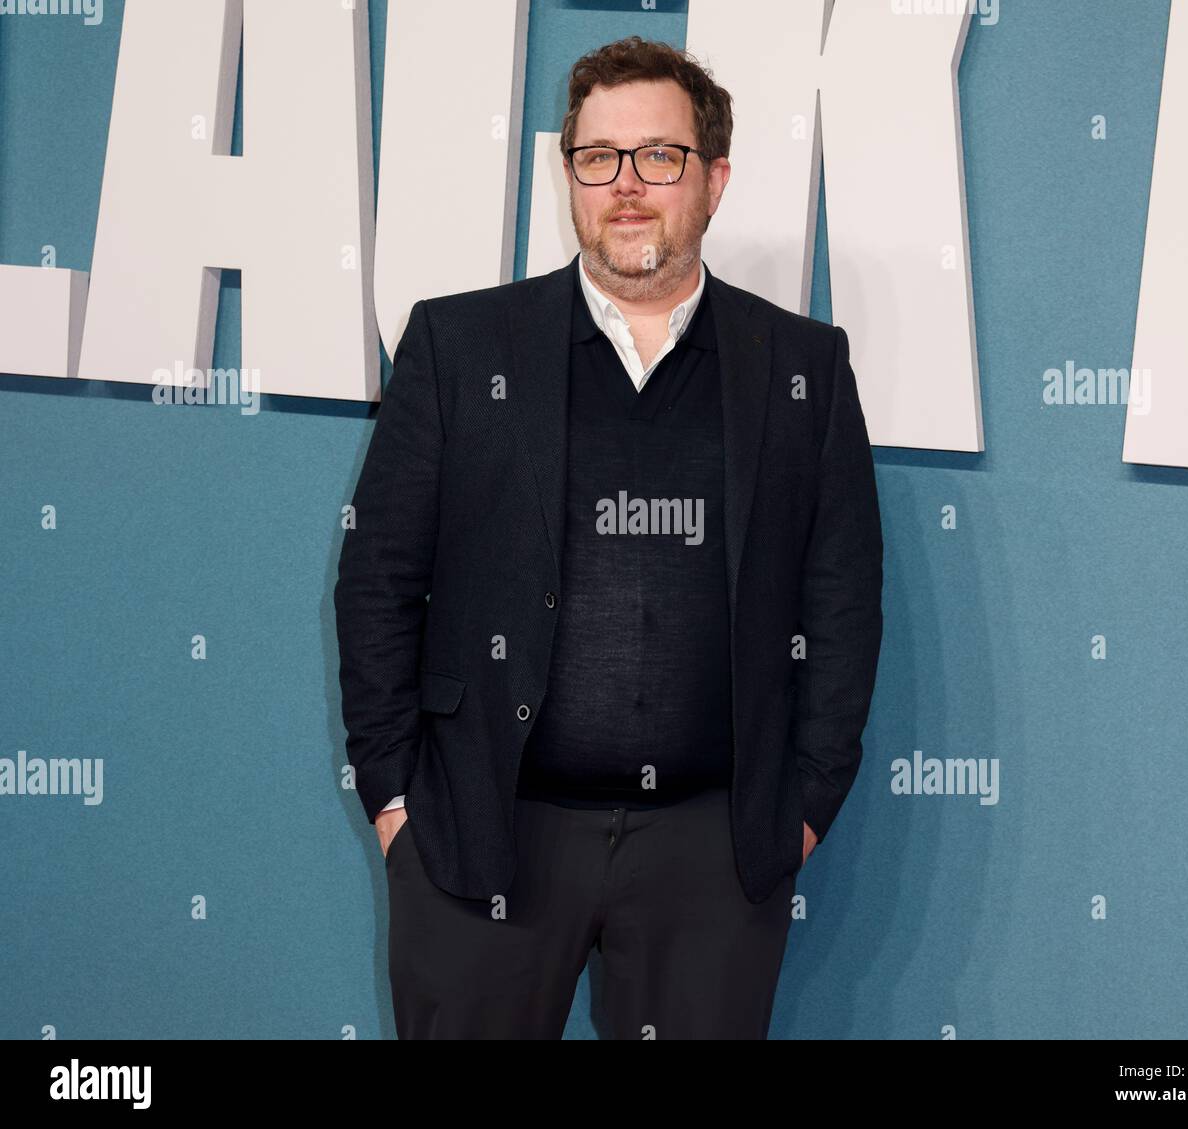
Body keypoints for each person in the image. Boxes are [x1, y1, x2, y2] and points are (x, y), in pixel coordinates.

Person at [333, 35, 884, 1039]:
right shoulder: (458, 348)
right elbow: (377, 580)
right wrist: (395, 800)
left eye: (659, 156)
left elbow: (839, 600)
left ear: (713, 179)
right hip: (481, 829)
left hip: (713, 850)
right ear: (570, 173)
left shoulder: (800, 367)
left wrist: (800, 805)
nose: (626, 185)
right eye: (600, 157)